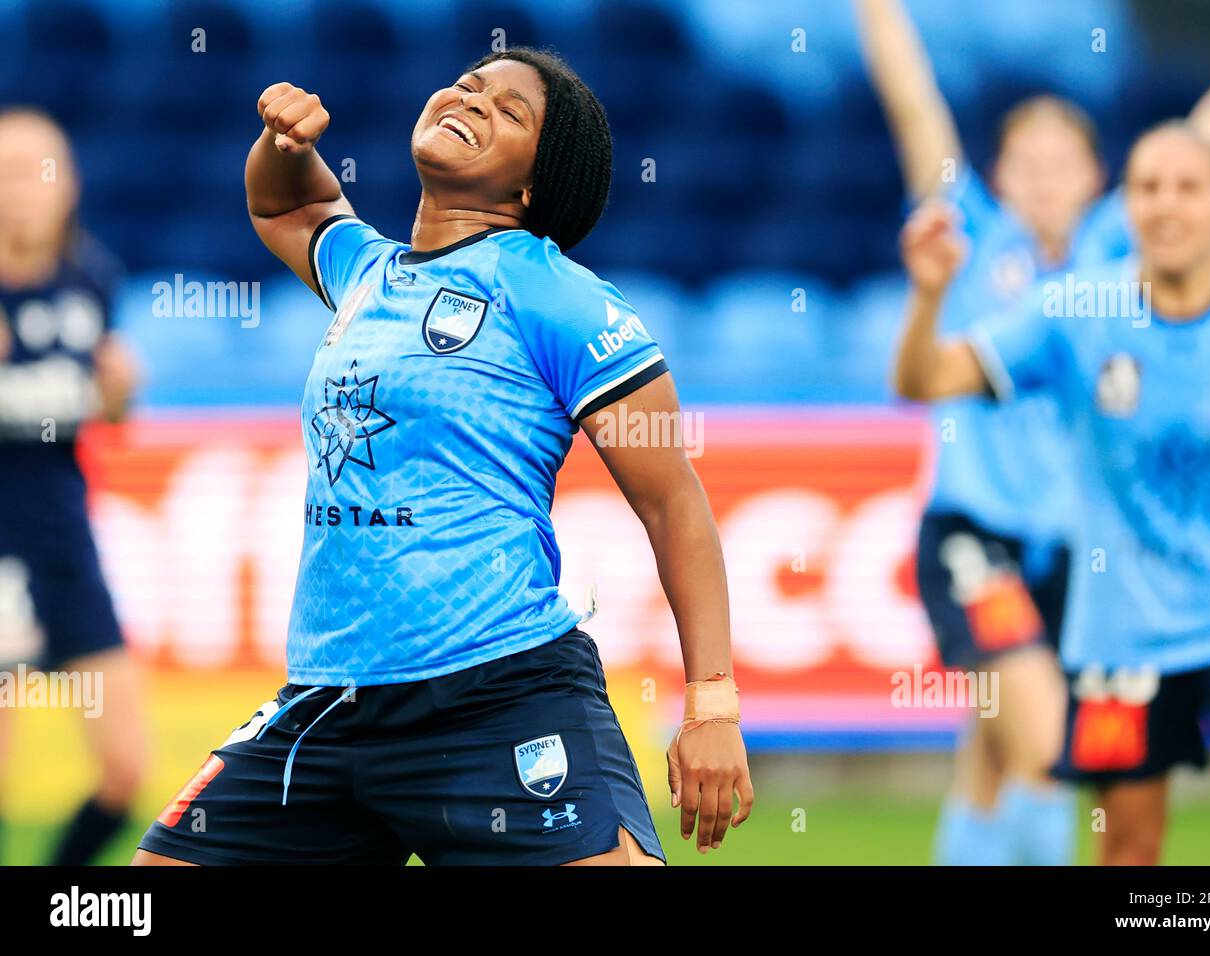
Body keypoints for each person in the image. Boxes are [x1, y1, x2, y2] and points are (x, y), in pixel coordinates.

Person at [134, 48, 752, 866]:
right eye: (469, 85)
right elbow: (286, 209)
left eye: (509, 110)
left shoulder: (557, 295)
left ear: (535, 186)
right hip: (330, 705)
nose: (472, 99)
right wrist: (284, 145)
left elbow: (673, 501)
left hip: (498, 697)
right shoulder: (366, 271)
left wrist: (712, 707)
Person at [856, 0, 1210, 864]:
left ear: (1099, 181)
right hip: (978, 536)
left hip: (1079, 553)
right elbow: (914, 103)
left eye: (1063, 165)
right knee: (1041, 746)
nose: (1044, 180)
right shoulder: (970, 232)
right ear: (1000, 173)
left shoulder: (1118, 250)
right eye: (1027, 163)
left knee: (989, 763)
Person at [0, 108, 146, 864]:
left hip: (64, 541)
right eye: (7, 173)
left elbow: (104, 416)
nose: (22, 191)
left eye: (38, 172)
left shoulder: (93, 277)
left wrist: (119, 393)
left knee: (127, 771)